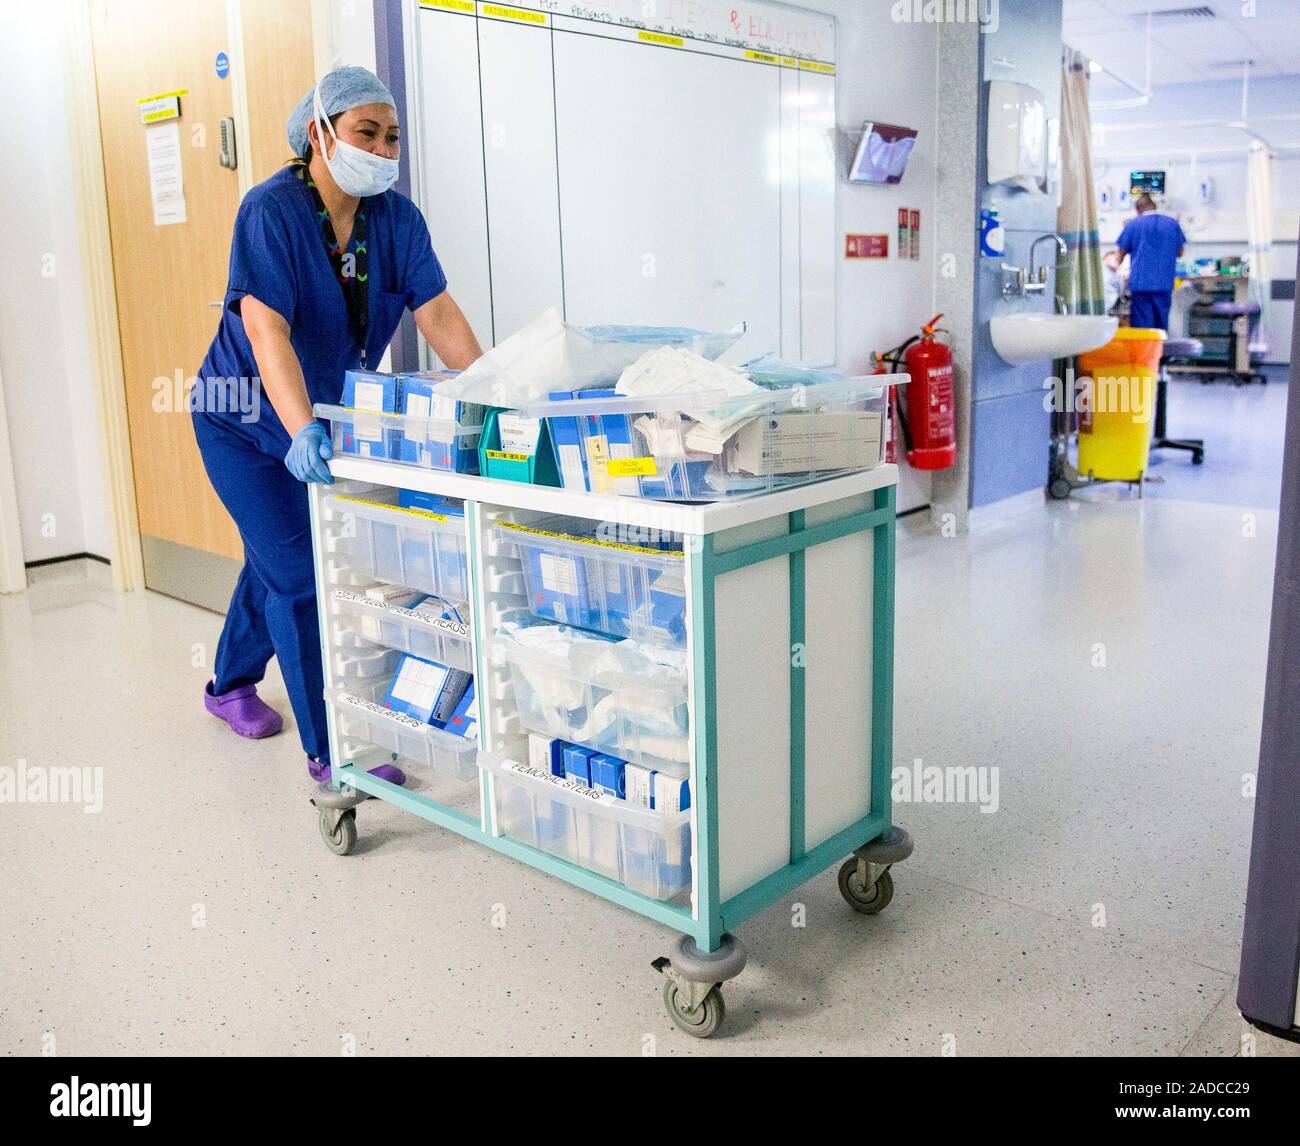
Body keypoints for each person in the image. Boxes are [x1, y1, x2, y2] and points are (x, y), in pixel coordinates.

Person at [192, 66, 482, 784]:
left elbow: (437, 313)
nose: (384, 150)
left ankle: (228, 685)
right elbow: (267, 333)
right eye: (366, 133)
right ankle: (337, 753)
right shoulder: (271, 211)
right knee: (299, 571)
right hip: (241, 417)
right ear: (320, 133)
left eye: (392, 138)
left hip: (315, 414)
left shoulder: (397, 221)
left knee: (278, 556)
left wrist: (500, 400)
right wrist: (298, 430)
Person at [1104, 194, 1186, 330]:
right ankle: (1159, 351)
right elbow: (1180, 252)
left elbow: (1119, 255)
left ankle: (1145, 352)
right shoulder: (1172, 224)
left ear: (1138, 210)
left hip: (1140, 284)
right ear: (1155, 206)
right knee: (1161, 327)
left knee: (1143, 328)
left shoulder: (1133, 225)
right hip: (1163, 283)